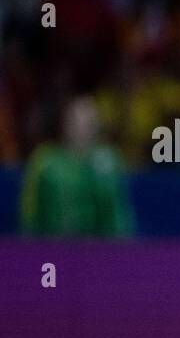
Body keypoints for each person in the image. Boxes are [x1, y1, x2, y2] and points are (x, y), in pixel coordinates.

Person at [20, 96, 133, 237]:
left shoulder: (108, 159)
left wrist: (121, 250)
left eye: (89, 123)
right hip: (51, 246)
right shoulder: (45, 159)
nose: (82, 129)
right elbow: (30, 211)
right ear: (64, 124)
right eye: (76, 122)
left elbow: (118, 212)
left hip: (98, 249)